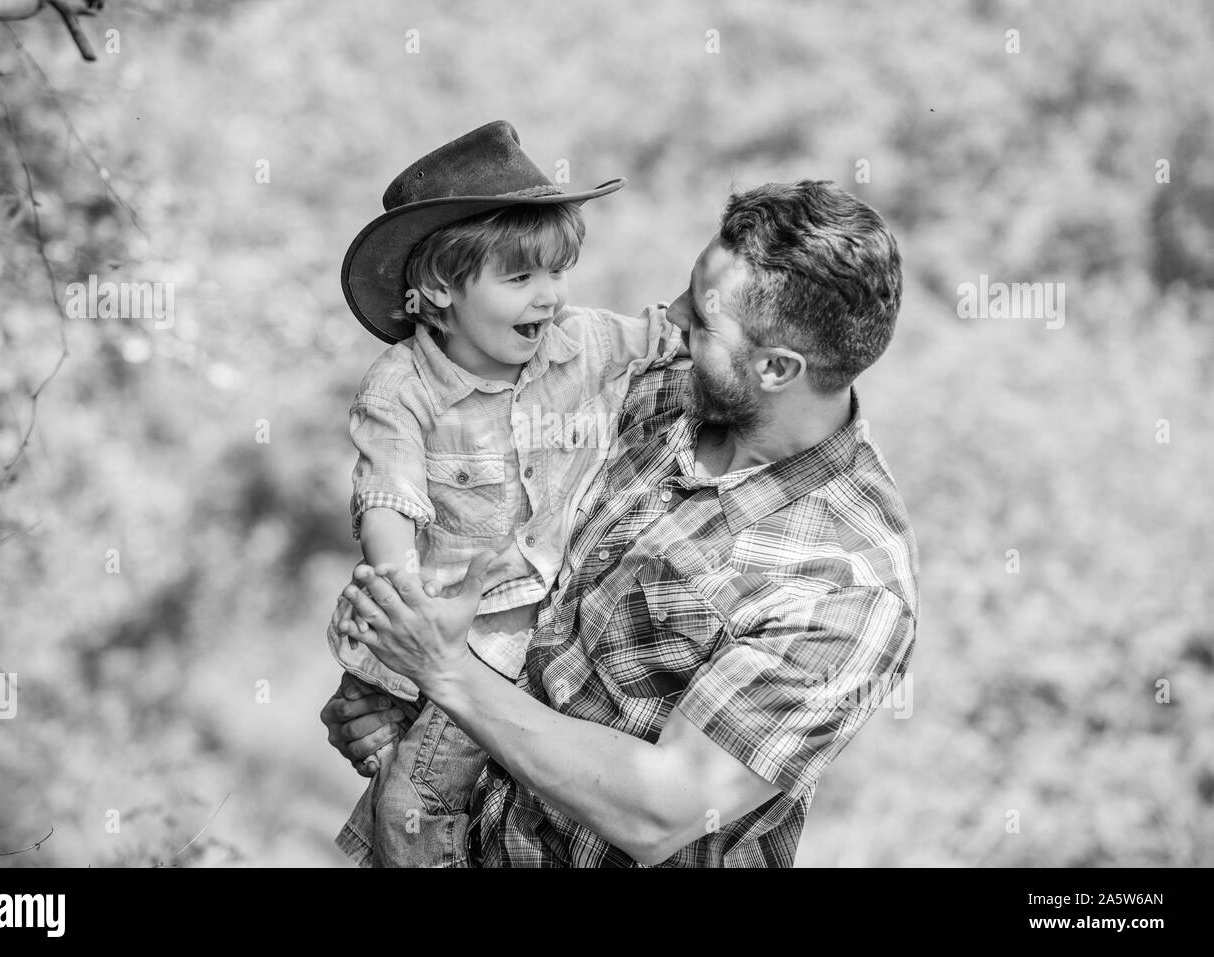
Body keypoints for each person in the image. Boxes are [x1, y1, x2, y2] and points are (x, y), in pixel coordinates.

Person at [325, 180, 919, 867]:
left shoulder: (844, 586)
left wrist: (443, 672)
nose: (670, 316)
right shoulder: (655, 388)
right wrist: (393, 692)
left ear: (778, 367)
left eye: (699, 318)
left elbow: (660, 809)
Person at [331, 120, 682, 867]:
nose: (548, 297)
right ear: (436, 291)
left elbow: (666, 332)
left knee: (415, 786)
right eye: (519, 279)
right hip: (443, 626)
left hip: (508, 638)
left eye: (557, 272)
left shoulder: (580, 341)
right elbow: (387, 497)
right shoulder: (405, 385)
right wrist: (404, 601)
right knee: (408, 783)